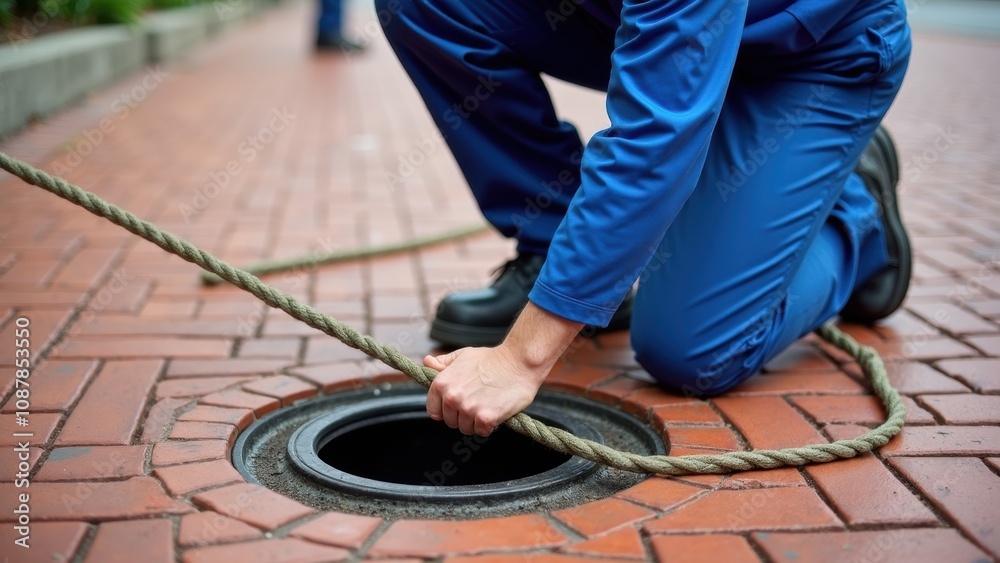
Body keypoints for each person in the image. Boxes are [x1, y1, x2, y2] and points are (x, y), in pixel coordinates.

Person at [377, 0, 912, 437]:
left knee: (692, 354)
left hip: (807, 57)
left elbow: (654, 138)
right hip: (651, 28)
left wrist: (520, 359)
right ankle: (555, 250)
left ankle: (855, 213)